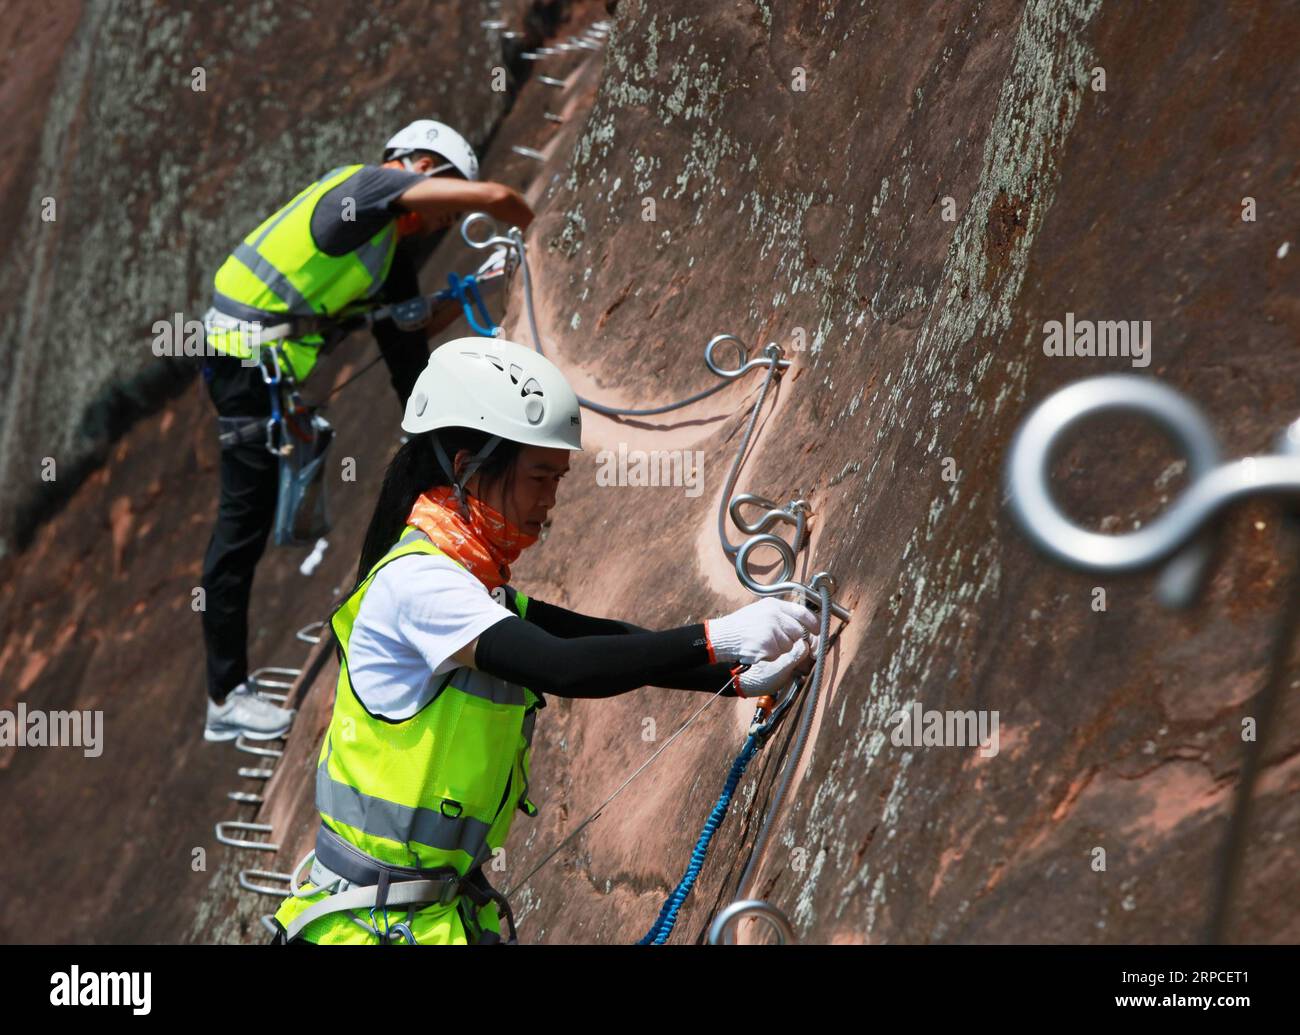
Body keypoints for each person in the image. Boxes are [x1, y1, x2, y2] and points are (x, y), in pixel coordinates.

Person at [269, 337, 820, 944]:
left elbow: (600, 638)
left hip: (424, 919)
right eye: (538, 477)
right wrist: (717, 637)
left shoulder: (469, 582)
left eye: (557, 480)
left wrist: (731, 675)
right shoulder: (419, 585)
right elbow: (564, 667)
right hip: (370, 929)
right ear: (464, 467)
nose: (549, 503)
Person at [200, 120, 534, 743]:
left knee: (252, 520)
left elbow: (408, 364)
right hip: (240, 364)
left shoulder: (384, 257)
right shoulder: (354, 196)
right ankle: (225, 696)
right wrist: (502, 203)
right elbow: (466, 200)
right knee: (240, 527)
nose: (438, 226)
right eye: (442, 201)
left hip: (261, 375)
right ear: (422, 167)